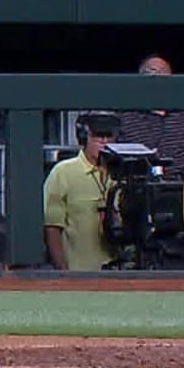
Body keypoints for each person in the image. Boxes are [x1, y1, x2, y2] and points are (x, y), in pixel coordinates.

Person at [42, 112, 119, 271]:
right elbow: (52, 228)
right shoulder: (63, 172)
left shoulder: (122, 173)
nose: (104, 142)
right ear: (84, 138)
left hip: (120, 272)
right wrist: (63, 273)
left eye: (108, 137)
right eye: (98, 137)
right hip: (79, 274)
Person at [118, 56, 184, 175]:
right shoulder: (127, 117)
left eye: (163, 73)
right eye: (151, 73)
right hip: (140, 184)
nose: (158, 78)